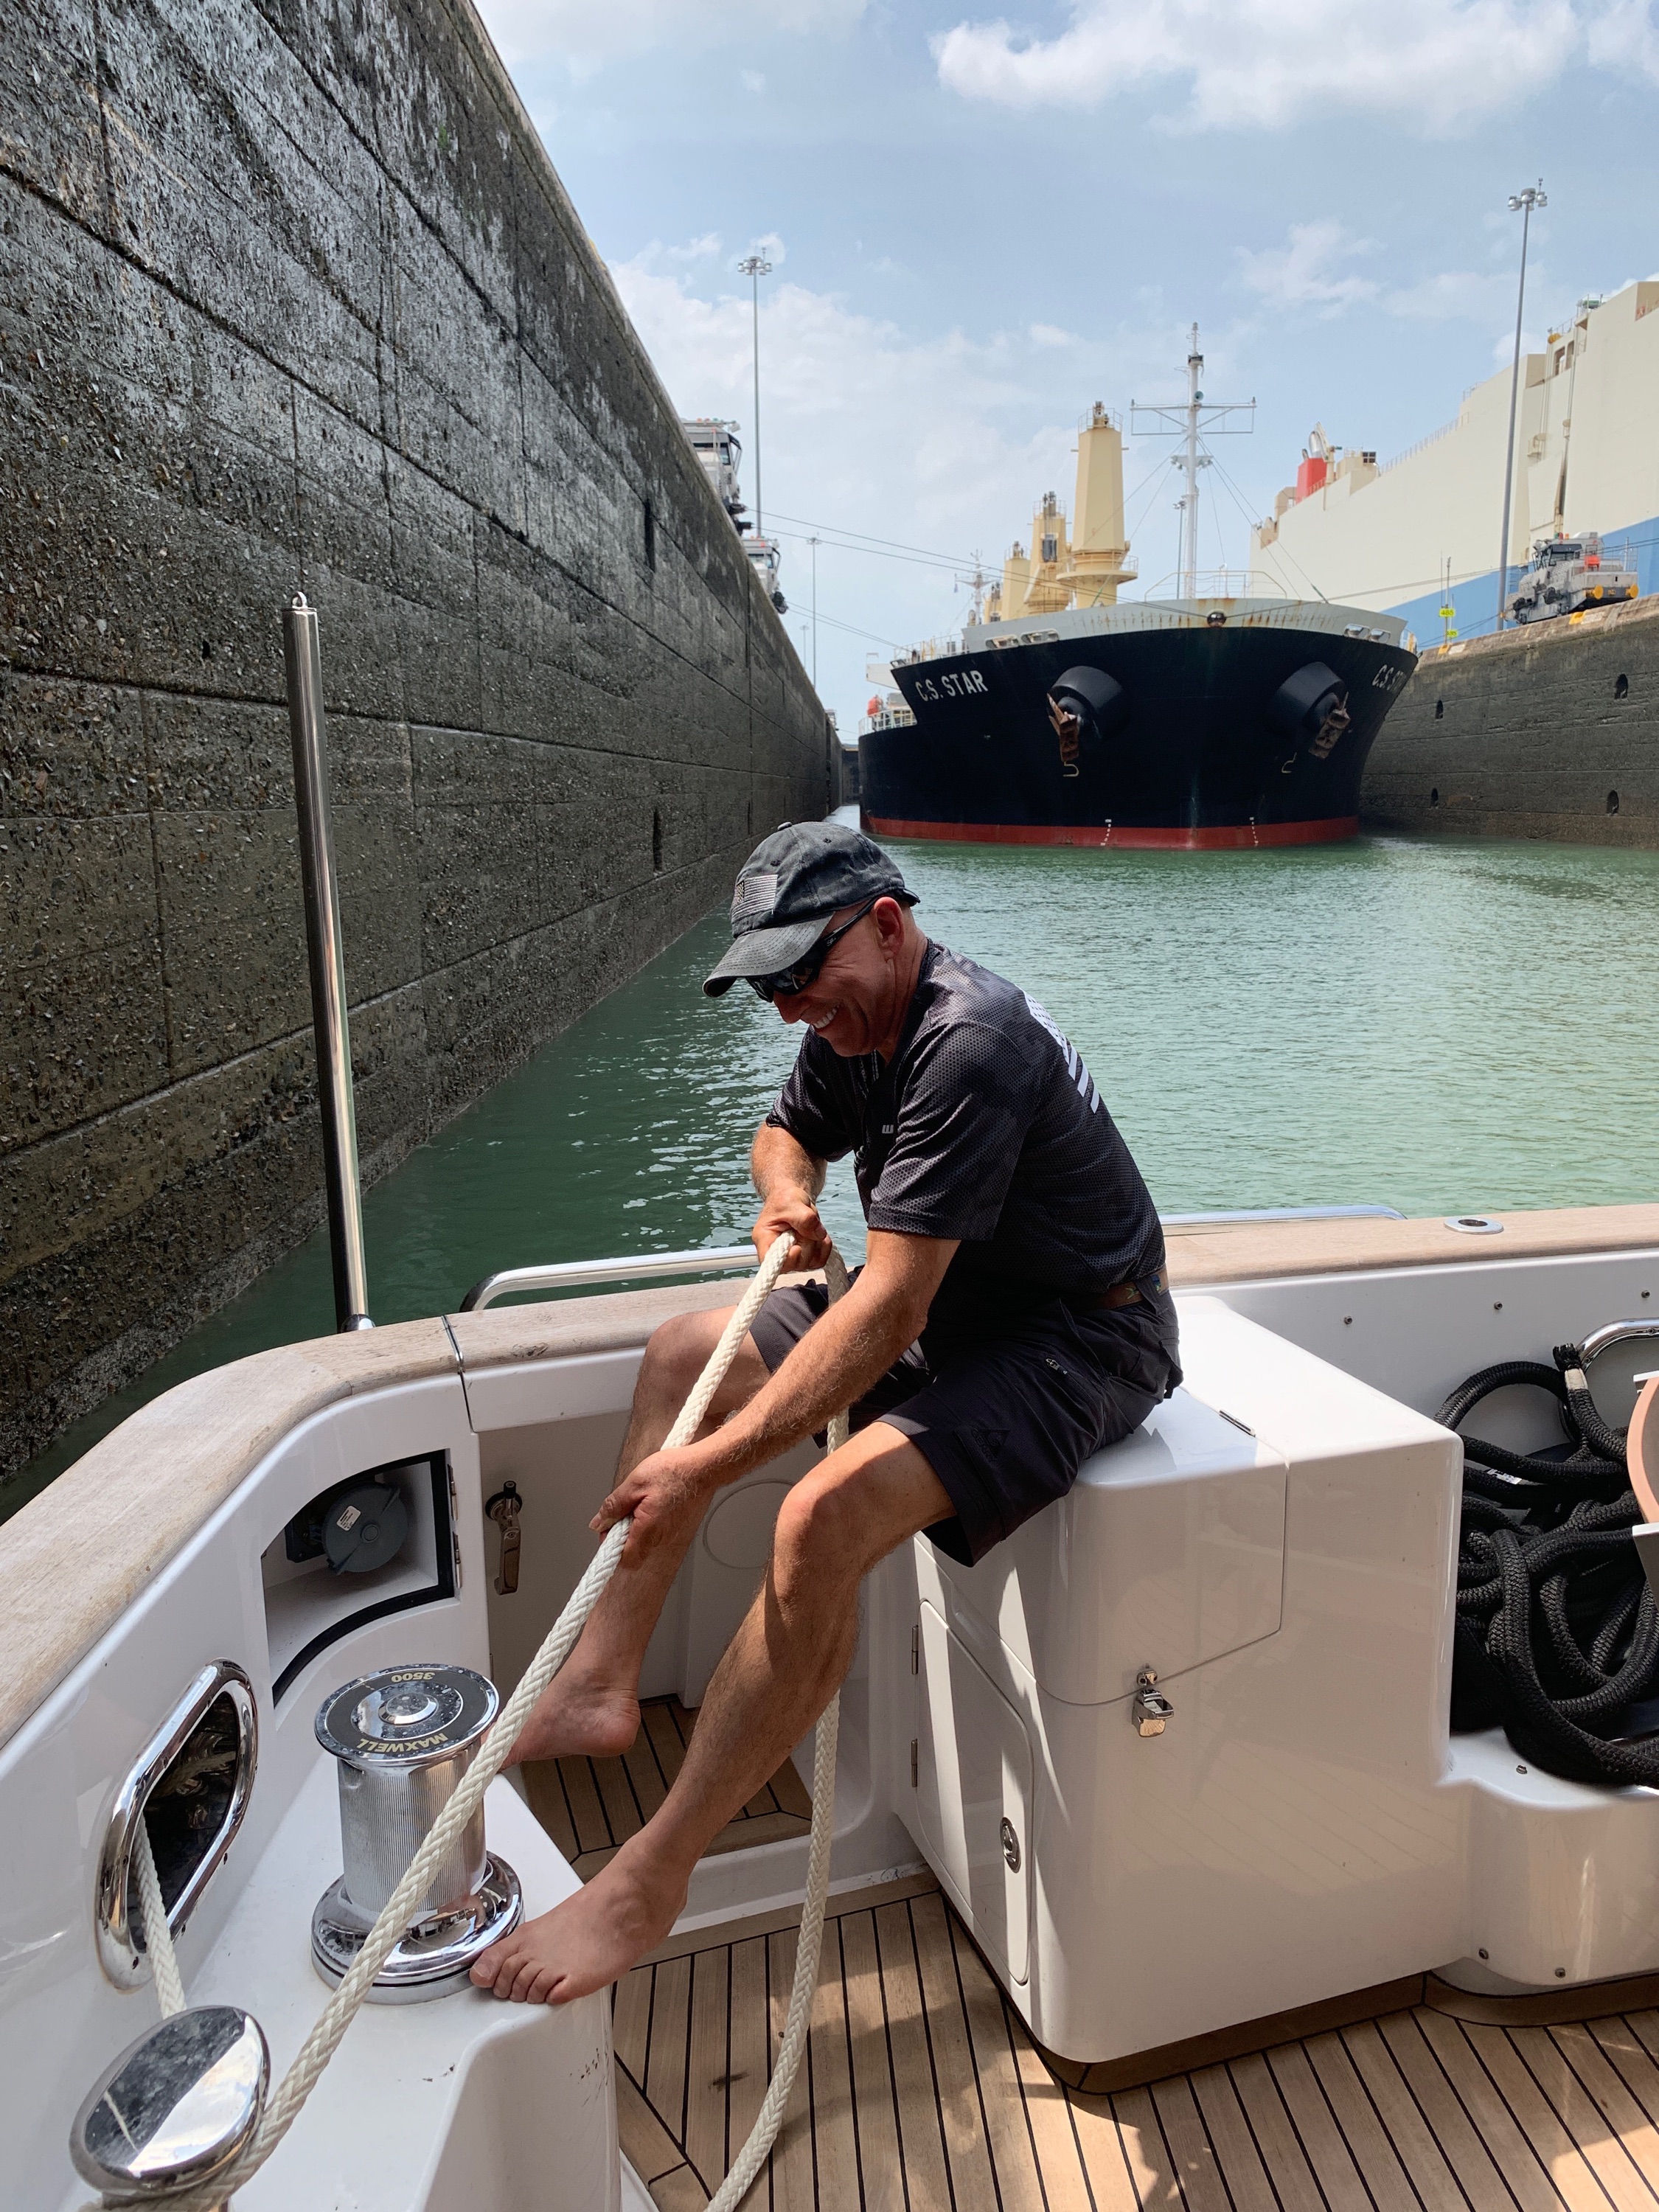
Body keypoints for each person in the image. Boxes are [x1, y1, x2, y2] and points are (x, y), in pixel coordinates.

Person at [470, 821, 1180, 2006]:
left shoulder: (969, 1043)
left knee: (817, 1518)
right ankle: (599, 1685)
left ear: (888, 925)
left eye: (805, 974)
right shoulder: (862, 1019)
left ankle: (651, 1875)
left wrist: (705, 1468)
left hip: (1078, 1344)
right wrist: (787, 1203)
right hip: (955, 1317)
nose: (794, 1007)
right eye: (771, 986)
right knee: (678, 1352)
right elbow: (785, 1132)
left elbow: (890, 1312)